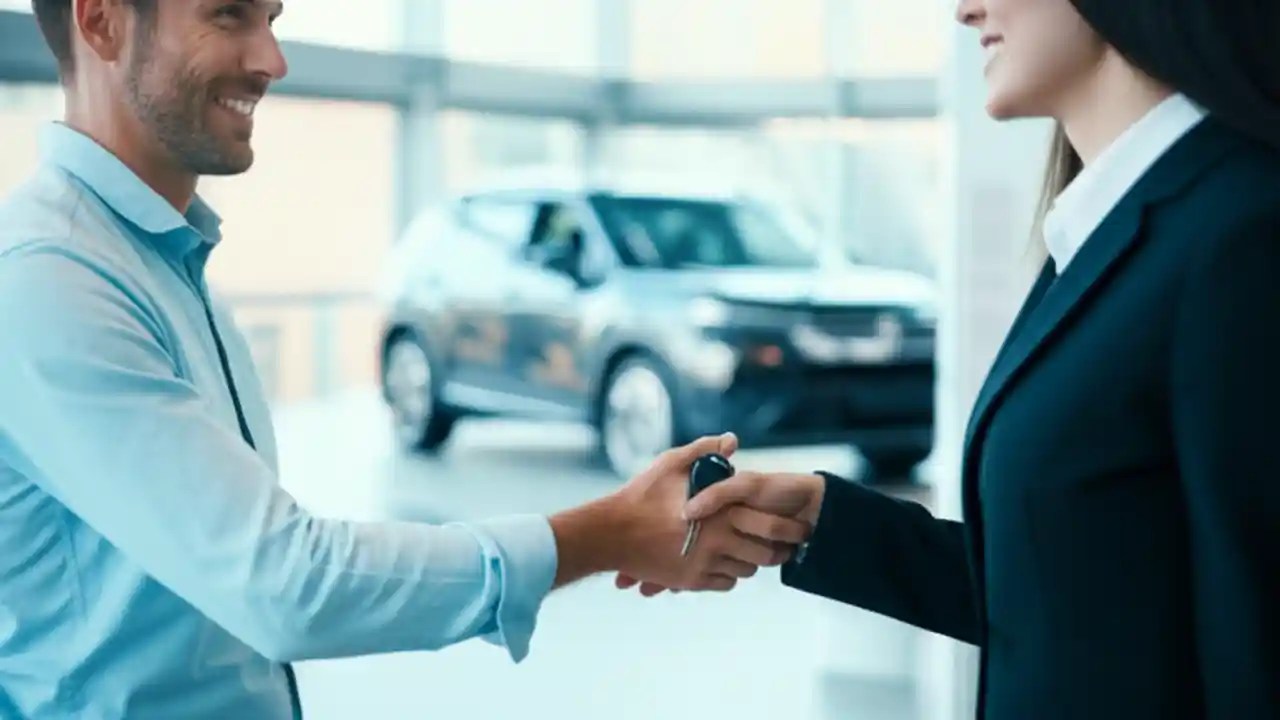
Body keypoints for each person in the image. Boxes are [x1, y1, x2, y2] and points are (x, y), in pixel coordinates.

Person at [0, 1, 811, 718]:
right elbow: (285, 585)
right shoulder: (50, 278)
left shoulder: (161, 262)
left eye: (273, 20)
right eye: (229, 14)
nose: (272, 60)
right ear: (101, 19)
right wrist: (604, 534)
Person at [632, 0, 1280, 718]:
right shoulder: (1106, 228)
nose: (965, 10)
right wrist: (823, 520)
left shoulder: (1243, 234)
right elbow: (1075, 602)